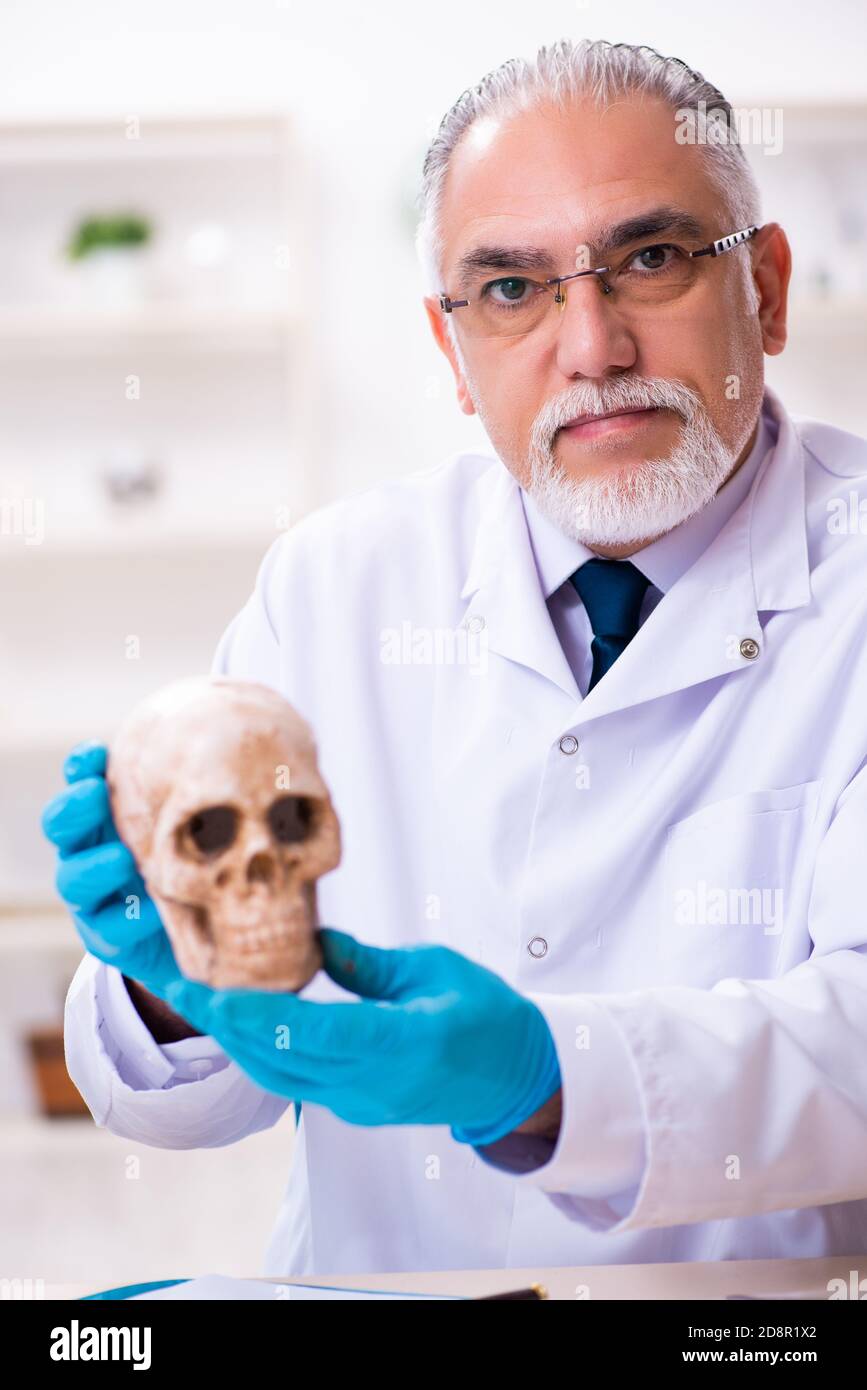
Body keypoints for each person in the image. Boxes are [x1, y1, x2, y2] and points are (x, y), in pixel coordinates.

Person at [44, 38, 867, 1277]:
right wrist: (175, 983)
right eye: (513, 288)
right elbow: (185, 1108)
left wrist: (551, 1079)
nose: (590, 347)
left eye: (648, 259)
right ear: (451, 351)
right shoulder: (334, 586)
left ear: (766, 289)